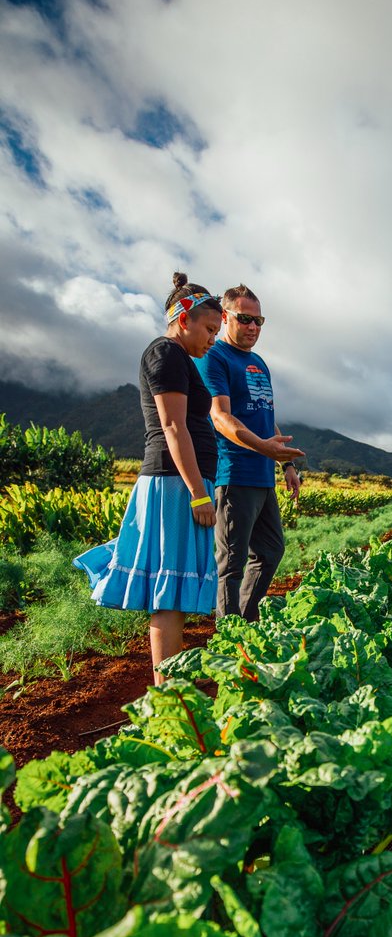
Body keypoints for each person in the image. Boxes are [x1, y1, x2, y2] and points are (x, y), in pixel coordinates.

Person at [74, 273, 223, 683]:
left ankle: (170, 687)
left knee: (169, 589)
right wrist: (197, 493)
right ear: (183, 317)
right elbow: (174, 428)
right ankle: (167, 692)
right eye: (210, 329)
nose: (213, 339)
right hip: (175, 484)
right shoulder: (166, 354)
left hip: (182, 482)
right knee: (167, 592)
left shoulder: (179, 358)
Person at [195, 282, 304, 621]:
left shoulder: (258, 362)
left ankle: (245, 617)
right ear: (225, 317)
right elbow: (220, 417)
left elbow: (263, 414)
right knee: (232, 563)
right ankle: (229, 639)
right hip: (234, 472)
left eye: (259, 321)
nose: (253, 327)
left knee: (271, 549)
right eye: (245, 319)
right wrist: (266, 450)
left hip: (262, 475)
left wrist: (285, 464)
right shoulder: (214, 356)